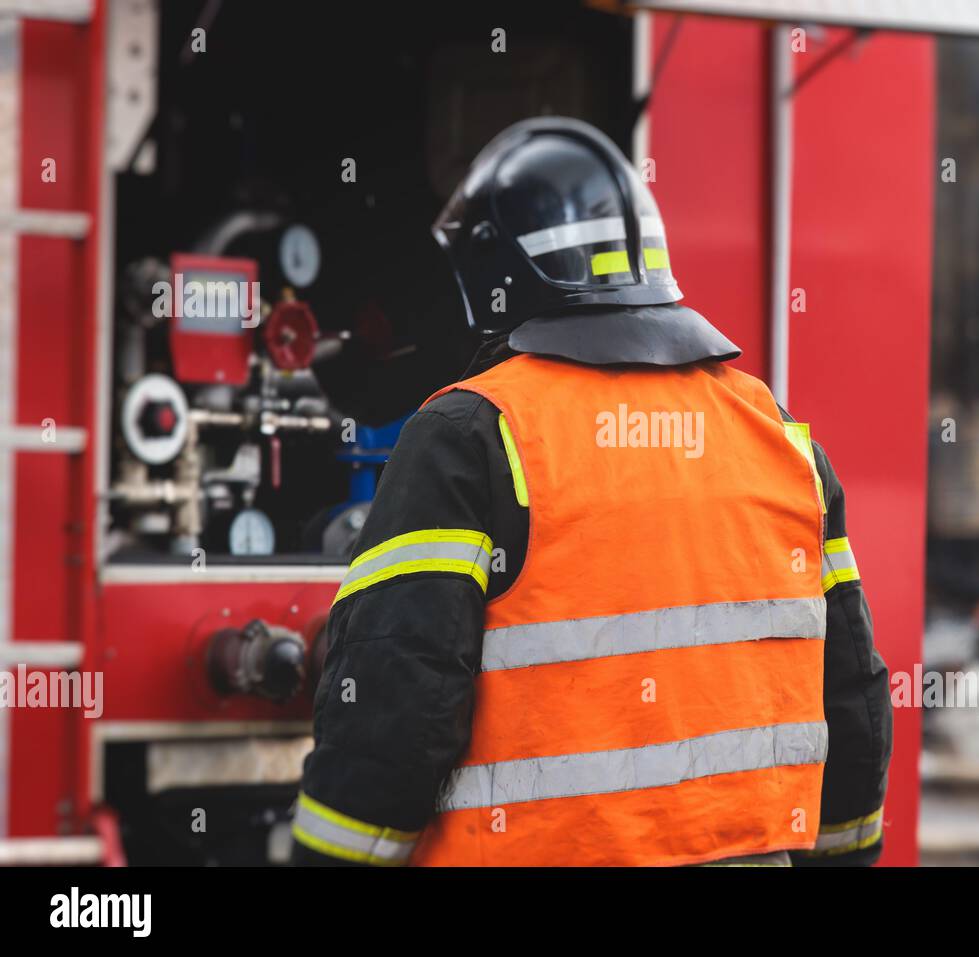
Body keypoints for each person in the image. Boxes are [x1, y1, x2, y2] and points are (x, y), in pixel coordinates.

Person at [292, 117, 891, 866]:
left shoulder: (471, 433)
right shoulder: (777, 435)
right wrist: (844, 855)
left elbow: (395, 711)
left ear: (481, 278)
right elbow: (854, 698)